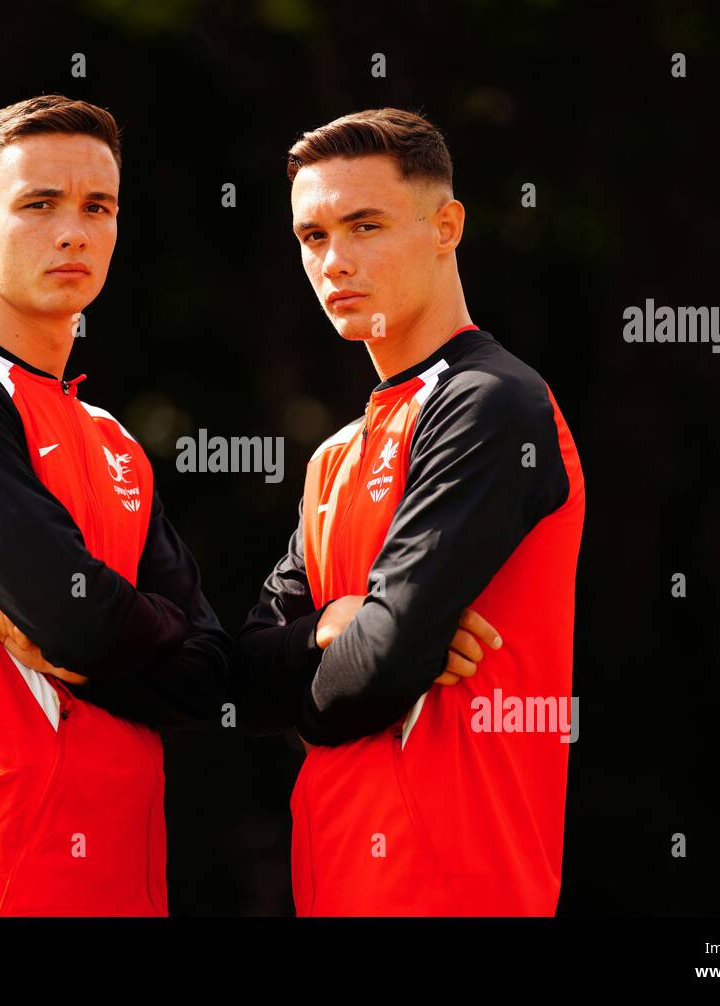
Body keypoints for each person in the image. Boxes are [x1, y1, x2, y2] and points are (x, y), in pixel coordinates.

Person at [0, 95, 231, 916]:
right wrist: (129, 634)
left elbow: (208, 677)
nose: (75, 231)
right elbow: (89, 626)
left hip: (128, 883)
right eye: (38, 204)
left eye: (98, 206)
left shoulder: (110, 435)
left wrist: (119, 636)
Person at [232, 107, 586, 915]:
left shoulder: (492, 404)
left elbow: (380, 672)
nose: (334, 260)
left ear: (446, 225)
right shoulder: (336, 455)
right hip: (334, 881)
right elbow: (245, 682)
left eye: (364, 224)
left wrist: (361, 655)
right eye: (312, 236)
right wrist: (335, 625)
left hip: (457, 887)